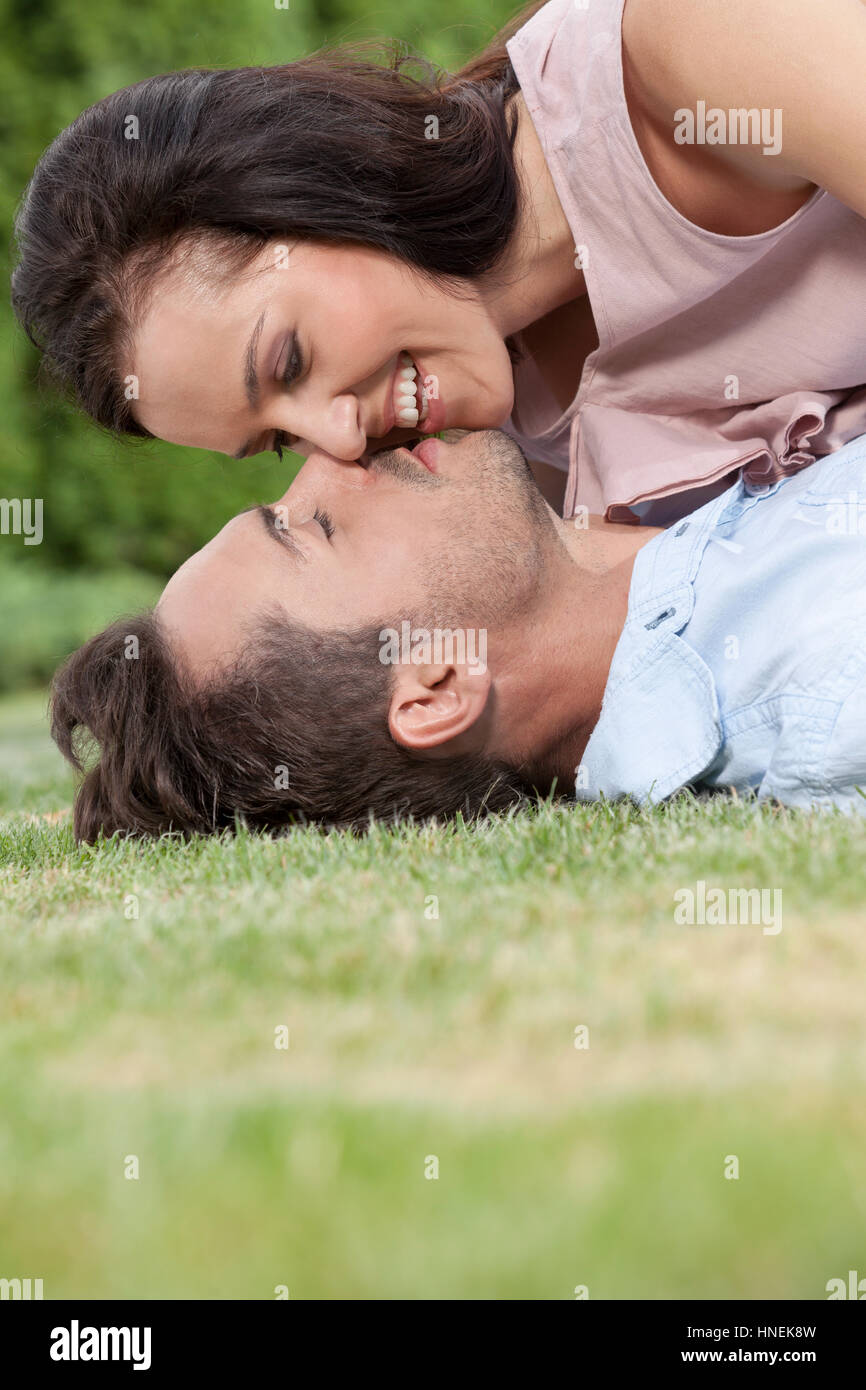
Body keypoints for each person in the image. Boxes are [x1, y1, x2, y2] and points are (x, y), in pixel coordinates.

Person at [12, 0, 866, 523]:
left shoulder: (688, 51)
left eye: (290, 361)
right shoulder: (521, 433)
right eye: (278, 440)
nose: (339, 439)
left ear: (315, 188)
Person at [53, 428, 866, 842]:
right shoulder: (818, 669)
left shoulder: (653, 470)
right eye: (322, 528)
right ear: (438, 689)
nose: (337, 452)